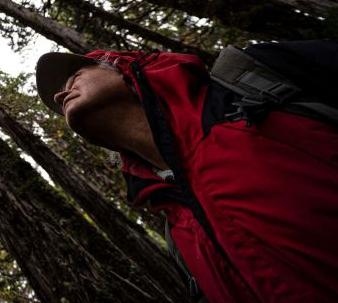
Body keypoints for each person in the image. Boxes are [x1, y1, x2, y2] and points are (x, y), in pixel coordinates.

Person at [34, 47, 338, 303]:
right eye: (59, 102)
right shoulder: (178, 237)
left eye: (74, 78)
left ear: (121, 68)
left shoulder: (255, 85)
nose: (62, 95)